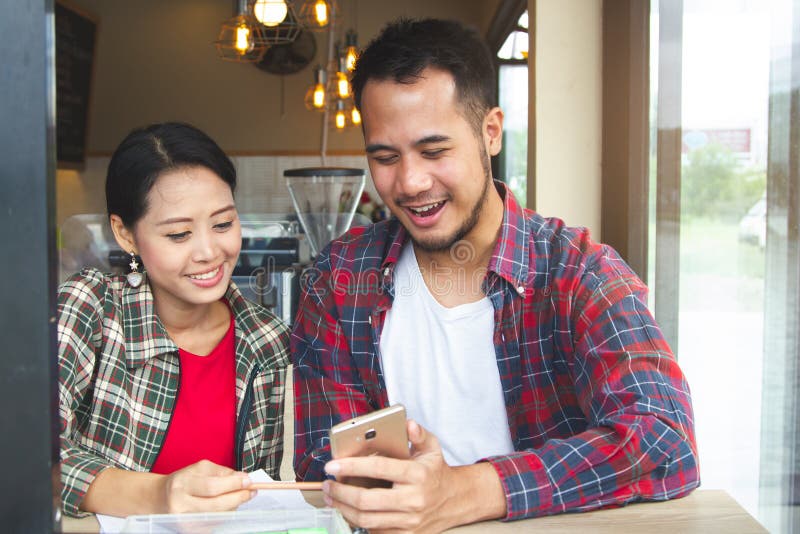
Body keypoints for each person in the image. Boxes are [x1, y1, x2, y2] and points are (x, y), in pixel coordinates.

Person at [291, 18, 700, 532]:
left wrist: (466, 490)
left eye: (435, 151)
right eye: (386, 157)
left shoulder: (578, 273)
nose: (412, 182)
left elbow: (666, 439)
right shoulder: (339, 279)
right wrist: (371, 487)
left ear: (490, 132)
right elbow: (316, 464)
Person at [58, 122, 290, 517]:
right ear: (125, 234)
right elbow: (23, 451)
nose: (208, 251)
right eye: (179, 234)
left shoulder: (267, 341)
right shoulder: (93, 309)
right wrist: (158, 494)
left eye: (222, 224)